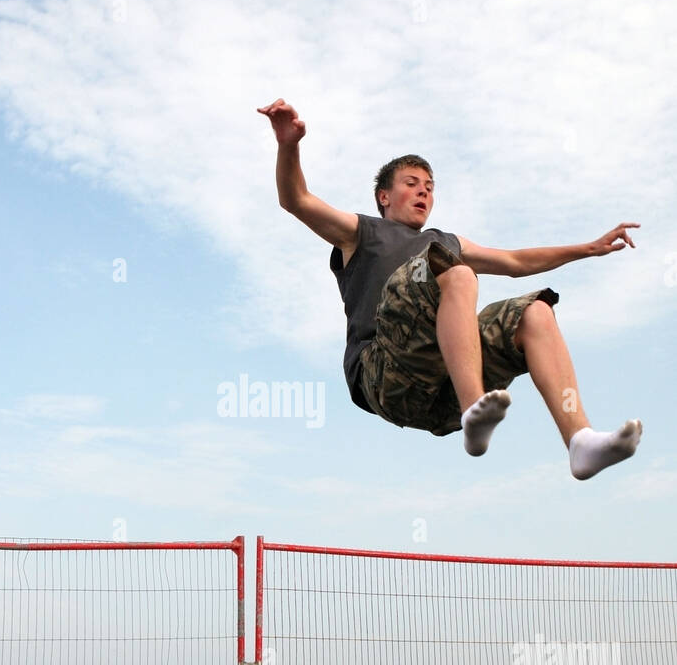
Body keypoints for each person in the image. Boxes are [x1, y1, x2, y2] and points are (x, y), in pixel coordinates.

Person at [258, 98, 642, 479]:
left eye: (429, 187)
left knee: (535, 312)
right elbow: (296, 200)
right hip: (385, 375)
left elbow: (515, 262)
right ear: (384, 197)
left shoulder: (446, 240)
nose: (424, 192)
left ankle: (579, 440)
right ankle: (474, 405)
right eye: (412, 184)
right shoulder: (362, 233)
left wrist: (588, 248)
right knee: (458, 273)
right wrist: (288, 145)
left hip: (437, 396)